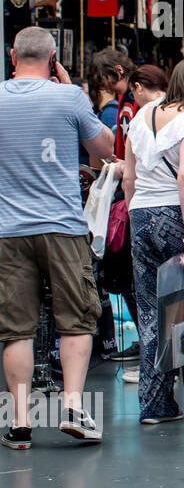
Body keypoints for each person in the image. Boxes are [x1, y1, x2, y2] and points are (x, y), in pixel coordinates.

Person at [0, 28, 115, 448]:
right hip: (63, 228)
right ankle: (71, 405)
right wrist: (73, 93)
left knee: (16, 328)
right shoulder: (68, 98)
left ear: (12, 56)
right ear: (54, 58)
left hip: (8, 230)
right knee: (76, 317)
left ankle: (19, 421)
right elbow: (105, 149)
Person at [122, 58, 184, 424]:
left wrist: (135, 216)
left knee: (150, 314)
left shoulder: (141, 114)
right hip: (174, 216)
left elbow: (129, 178)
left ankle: (155, 404)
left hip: (141, 215)